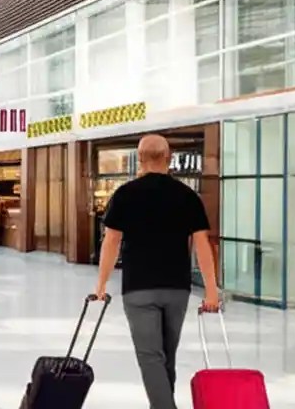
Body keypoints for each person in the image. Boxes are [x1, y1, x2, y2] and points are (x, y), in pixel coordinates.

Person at [93, 134, 220, 409]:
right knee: (165, 357)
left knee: (151, 357)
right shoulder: (187, 196)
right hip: (177, 288)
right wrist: (211, 290)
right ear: (169, 157)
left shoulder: (125, 195)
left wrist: (101, 285)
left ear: (139, 159)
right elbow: (202, 245)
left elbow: (111, 242)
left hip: (138, 288)